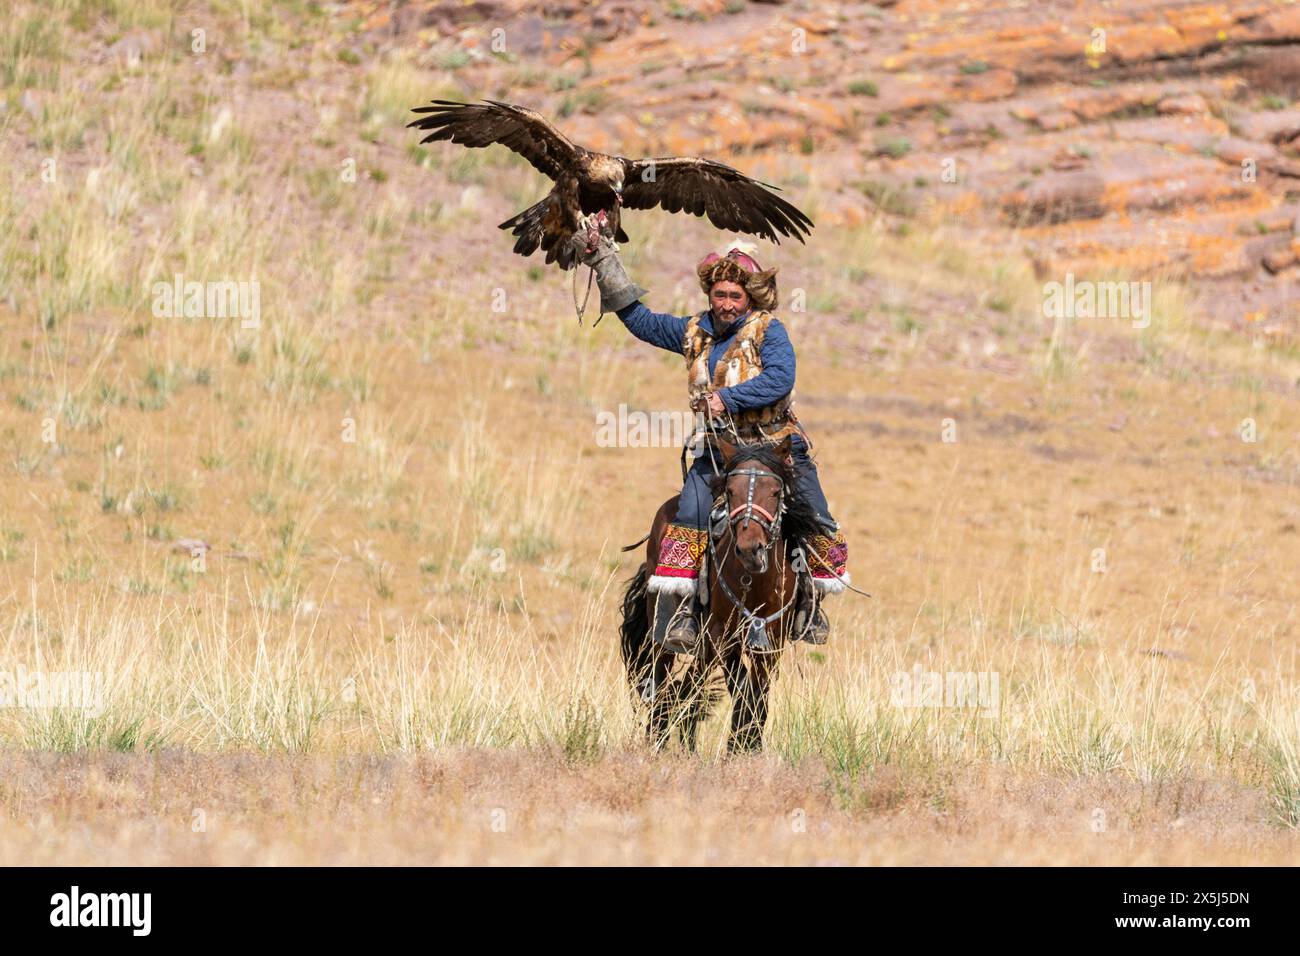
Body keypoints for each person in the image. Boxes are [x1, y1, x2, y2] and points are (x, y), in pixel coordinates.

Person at [575, 232, 850, 654]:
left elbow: (780, 380)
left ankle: (809, 606)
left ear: (750, 298)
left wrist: (726, 397)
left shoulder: (769, 332)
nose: (726, 304)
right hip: (721, 452)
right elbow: (641, 321)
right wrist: (604, 264)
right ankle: (683, 612)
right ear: (710, 293)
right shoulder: (693, 332)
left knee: (817, 518)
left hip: (776, 448)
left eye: (735, 296)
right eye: (719, 294)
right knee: (688, 514)